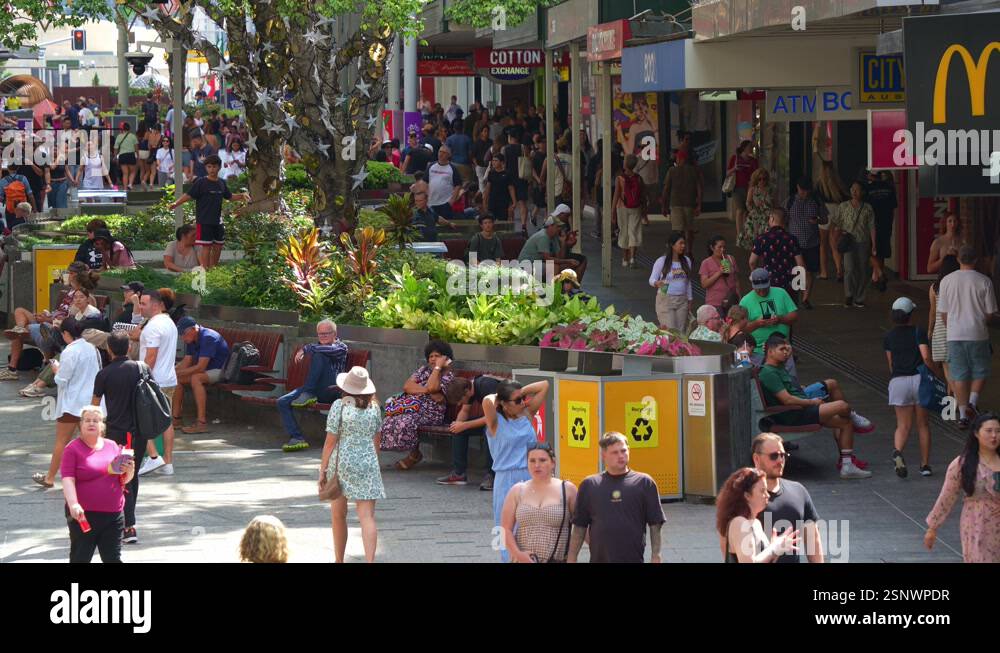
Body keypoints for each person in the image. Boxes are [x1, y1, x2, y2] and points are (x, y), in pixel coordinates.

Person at [757, 333, 873, 479]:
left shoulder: (778, 367)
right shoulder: (768, 372)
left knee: (845, 423)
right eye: (782, 349)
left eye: (787, 349)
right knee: (842, 406)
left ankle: (847, 465)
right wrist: (813, 402)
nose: (786, 352)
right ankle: (853, 415)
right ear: (770, 351)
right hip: (794, 415)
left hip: (801, 408)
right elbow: (787, 400)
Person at [320, 366, 385, 563]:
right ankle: (370, 561)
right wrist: (372, 463)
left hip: (341, 463)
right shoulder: (374, 408)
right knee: (367, 517)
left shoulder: (339, 406)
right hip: (367, 463)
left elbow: (330, 442)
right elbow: (377, 442)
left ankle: (339, 560)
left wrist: (323, 471)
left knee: (338, 515)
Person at [568, 432, 665, 563]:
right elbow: (579, 526)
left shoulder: (645, 483)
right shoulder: (589, 485)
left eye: (623, 451)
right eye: (614, 452)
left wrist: (656, 555)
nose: (620, 456)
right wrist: (572, 556)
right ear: (604, 456)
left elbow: (655, 524)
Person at [482, 379, 549, 562]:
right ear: (503, 403)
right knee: (507, 526)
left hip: (530, 476)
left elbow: (544, 385)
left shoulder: (526, 414)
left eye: (523, 399)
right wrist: (502, 395)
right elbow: (487, 401)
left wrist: (518, 393)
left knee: (533, 524)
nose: (522, 403)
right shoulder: (495, 422)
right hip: (506, 478)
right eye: (517, 400)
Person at [32, 317, 102, 488]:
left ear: (66, 333)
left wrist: (56, 369)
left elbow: (62, 380)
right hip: (90, 403)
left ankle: (49, 478)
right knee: (93, 441)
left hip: (72, 403)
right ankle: (97, 475)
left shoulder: (69, 352)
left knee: (61, 441)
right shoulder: (92, 348)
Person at [60, 405, 135, 563]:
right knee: (80, 558)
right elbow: (67, 478)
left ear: (102, 425)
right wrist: (73, 504)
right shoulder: (72, 449)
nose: (91, 423)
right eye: (87, 420)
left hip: (113, 513)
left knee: (113, 559)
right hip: (84, 514)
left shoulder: (112, 446)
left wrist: (130, 471)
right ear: (81, 425)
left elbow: (123, 480)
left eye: (96, 420)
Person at [925, 413, 1000, 562]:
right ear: (976, 433)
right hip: (977, 524)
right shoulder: (962, 464)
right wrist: (933, 527)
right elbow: (947, 496)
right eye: (989, 431)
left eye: (998, 431)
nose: (994, 436)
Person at [91, 331, 144, 544]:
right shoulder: (141, 368)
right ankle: (125, 521)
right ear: (129, 347)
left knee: (122, 476)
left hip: (117, 435)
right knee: (132, 474)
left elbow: (94, 407)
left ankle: (128, 525)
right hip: (139, 433)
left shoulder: (104, 374)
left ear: (109, 350)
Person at [937, 245, 998, 429]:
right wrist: (981, 321)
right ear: (976, 260)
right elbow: (990, 313)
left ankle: (963, 415)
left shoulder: (947, 281)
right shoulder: (984, 281)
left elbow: (943, 312)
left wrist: (952, 327)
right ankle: (972, 401)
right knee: (981, 369)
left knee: (959, 374)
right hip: (978, 333)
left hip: (954, 333)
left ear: (958, 259)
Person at [381, 340, 456, 470]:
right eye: (431, 356)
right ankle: (413, 453)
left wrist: (437, 369)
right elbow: (407, 386)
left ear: (445, 358)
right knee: (390, 419)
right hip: (414, 408)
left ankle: (414, 454)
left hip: (432, 414)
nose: (433, 359)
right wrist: (428, 391)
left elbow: (434, 388)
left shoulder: (448, 375)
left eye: (437, 356)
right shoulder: (423, 369)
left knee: (405, 421)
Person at [169, 154, 249, 270]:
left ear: (219, 167)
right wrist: (176, 203)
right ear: (206, 168)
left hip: (218, 221)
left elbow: (230, 197)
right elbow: (189, 195)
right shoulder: (201, 182)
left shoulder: (222, 182)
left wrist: (242, 196)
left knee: (218, 245)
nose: (212, 169)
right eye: (209, 167)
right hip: (204, 221)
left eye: (214, 167)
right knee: (205, 247)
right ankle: (205, 271)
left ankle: (214, 270)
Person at [500, 443, 576, 563]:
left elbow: (582, 526)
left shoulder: (567, 489)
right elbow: (504, 529)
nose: (537, 465)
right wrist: (518, 554)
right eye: (532, 461)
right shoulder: (517, 490)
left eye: (542, 460)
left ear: (553, 463)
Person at [752, 433, 823, 563]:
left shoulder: (798, 491)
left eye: (783, 455)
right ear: (756, 459)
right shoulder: (745, 496)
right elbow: (729, 543)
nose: (780, 461)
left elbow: (813, 539)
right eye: (773, 456)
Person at [279, 320, 348, 452]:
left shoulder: (341, 347)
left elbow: (329, 349)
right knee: (282, 401)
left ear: (335, 333)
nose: (322, 337)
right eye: (320, 334)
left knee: (320, 354)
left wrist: (306, 348)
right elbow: (319, 347)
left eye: (326, 333)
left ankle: (308, 393)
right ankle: (297, 438)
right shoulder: (316, 347)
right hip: (313, 389)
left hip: (331, 390)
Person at [884, 297, 934, 478]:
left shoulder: (889, 336)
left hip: (898, 382)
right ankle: (925, 465)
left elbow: (890, 364)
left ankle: (898, 452)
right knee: (923, 425)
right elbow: (926, 356)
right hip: (919, 379)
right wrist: (935, 372)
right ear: (910, 315)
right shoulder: (918, 332)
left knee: (903, 425)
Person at [715, 467, 799, 563]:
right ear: (747, 496)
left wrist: (777, 549)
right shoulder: (739, 523)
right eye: (762, 491)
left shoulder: (756, 523)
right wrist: (773, 548)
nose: (767, 495)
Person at [136, 290, 179, 477]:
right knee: (166, 421)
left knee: (141, 419)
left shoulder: (153, 327)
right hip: (169, 378)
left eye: (143, 304)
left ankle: (153, 458)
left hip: (153, 380)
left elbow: (151, 356)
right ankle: (167, 463)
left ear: (155, 304)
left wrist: (141, 377)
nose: (140, 307)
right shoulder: (169, 322)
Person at [435, 375, 498, 490]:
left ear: (467, 391)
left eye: (460, 400)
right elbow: (465, 411)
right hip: (492, 419)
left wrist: (464, 425)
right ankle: (459, 474)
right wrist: (457, 426)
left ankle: (492, 475)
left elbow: (493, 417)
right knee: (458, 430)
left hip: (507, 420)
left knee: (488, 430)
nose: (459, 403)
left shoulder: (486, 386)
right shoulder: (469, 389)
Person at [172, 317, 230, 435]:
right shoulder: (192, 338)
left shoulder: (208, 337)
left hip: (221, 370)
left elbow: (200, 367)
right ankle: (176, 419)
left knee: (196, 378)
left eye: (184, 334)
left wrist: (176, 372)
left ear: (194, 329)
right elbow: (186, 362)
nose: (182, 338)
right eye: (181, 335)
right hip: (205, 370)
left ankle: (201, 423)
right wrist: (172, 371)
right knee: (177, 379)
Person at [739, 268, 799, 371]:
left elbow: (794, 316)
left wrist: (780, 319)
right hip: (758, 352)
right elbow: (741, 329)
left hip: (783, 349)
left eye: (764, 288)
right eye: (758, 288)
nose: (761, 291)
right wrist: (757, 323)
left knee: (791, 381)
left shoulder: (781, 293)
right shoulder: (745, 301)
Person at [785, 177, 828, 308]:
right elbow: (782, 217)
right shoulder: (790, 201)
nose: (804, 193)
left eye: (807, 191)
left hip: (811, 242)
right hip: (794, 243)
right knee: (795, 271)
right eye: (802, 190)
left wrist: (818, 221)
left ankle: (805, 298)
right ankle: (795, 297)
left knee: (809, 271)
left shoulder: (815, 201)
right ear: (798, 188)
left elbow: (825, 219)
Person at [833, 181, 876, 308]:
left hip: (863, 241)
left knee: (863, 269)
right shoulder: (843, 206)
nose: (854, 192)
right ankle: (849, 294)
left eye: (857, 190)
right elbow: (836, 224)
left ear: (862, 192)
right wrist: (835, 240)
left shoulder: (868, 208)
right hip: (849, 242)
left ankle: (860, 297)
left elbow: (872, 227)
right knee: (849, 268)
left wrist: (874, 244)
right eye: (853, 189)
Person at [928, 255, 961, 391]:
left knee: (947, 368)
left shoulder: (935, 287)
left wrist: (930, 329)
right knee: (957, 368)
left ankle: (953, 401)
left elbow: (933, 311)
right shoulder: (959, 286)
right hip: (958, 330)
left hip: (940, 331)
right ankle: (959, 399)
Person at [660, 150, 703, 256]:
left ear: (681, 159)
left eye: (678, 158)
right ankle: (689, 251)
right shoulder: (694, 171)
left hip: (675, 204)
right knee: (689, 229)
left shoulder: (672, 171)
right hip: (690, 203)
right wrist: (699, 205)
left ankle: (677, 252)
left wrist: (663, 205)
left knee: (677, 230)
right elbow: (699, 189)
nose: (676, 160)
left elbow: (666, 189)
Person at [649, 232, 693, 332]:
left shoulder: (687, 260)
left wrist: (690, 299)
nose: (683, 246)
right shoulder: (662, 261)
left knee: (681, 332)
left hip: (682, 300)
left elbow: (688, 282)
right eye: (680, 243)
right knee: (670, 332)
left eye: (684, 243)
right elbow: (651, 279)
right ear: (672, 245)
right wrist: (657, 283)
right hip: (666, 298)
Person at [518, 215, 583, 276]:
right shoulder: (543, 236)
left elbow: (560, 258)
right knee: (554, 266)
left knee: (570, 264)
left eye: (560, 227)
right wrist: (568, 260)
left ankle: (571, 285)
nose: (559, 229)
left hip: (539, 263)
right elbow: (547, 258)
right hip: (526, 265)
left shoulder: (554, 237)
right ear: (550, 226)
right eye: (557, 226)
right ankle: (552, 287)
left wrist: (563, 242)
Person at [612, 154, 647, 269]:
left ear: (625, 164)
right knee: (634, 231)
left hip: (622, 208)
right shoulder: (639, 178)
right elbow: (642, 196)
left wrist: (612, 212)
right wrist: (644, 212)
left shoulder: (619, 178)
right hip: (636, 208)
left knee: (624, 231)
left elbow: (616, 195)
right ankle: (633, 258)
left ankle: (624, 259)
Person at [866, 170, 897, 292]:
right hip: (886, 223)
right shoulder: (890, 188)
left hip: (872, 224)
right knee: (882, 252)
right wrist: (890, 223)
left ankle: (880, 273)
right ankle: (877, 278)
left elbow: (866, 208)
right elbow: (893, 208)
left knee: (868, 251)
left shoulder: (869, 189)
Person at [699, 235, 741, 318]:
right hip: (715, 303)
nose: (723, 249)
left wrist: (739, 298)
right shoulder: (706, 263)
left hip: (731, 301)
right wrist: (719, 272)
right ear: (712, 247)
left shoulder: (731, 259)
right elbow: (704, 284)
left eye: (724, 247)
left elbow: (736, 280)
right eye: (719, 247)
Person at [727, 140, 759, 239]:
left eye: (752, 147)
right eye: (750, 147)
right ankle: (739, 232)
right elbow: (727, 173)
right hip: (737, 187)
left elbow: (757, 174)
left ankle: (746, 232)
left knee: (747, 211)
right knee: (740, 210)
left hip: (750, 187)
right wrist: (735, 168)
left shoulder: (753, 160)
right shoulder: (735, 158)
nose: (751, 149)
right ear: (744, 148)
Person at [737, 168, 773, 250]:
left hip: (767, 218)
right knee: (754, 245)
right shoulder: (753, 189)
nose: (762, 181)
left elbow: (776, 204)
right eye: (759, 179)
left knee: (766, 243)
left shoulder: (771, 190)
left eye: (764, 179)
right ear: (756, 179)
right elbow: (748, 203)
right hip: (755, 218)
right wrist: (753, 209)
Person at [427, 144, 462, 221]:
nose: (441, 154)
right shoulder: (431, 166)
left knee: (445, 226)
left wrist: (451, 201)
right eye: (440, 151)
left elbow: (458, 185)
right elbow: (425, 182)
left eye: (444, 152)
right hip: (431, 202)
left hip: (445, 204)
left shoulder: (452, 168)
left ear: (448, 155)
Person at [481, 152, 515, 223]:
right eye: (493, 160)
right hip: (492, 201)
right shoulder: (491, 173)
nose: (493, 162)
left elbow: (511, 188)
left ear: (501, 162)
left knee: (502, 221)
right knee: (491, 221)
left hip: (503, 201)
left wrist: (514, 201)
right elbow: (488, 188)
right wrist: (484, 200)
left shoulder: (507, 174)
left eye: (496, 160)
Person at [113, 122, 138, 190]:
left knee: (125, 173)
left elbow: (115, 148)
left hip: (122, 156)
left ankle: (125, 189)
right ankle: (130, 184)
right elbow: (136, 147)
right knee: (133, 171)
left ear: (122, 129)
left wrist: (115, 156)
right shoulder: (133, 136)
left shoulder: (119, 136)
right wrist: (137, 155)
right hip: (131, 155)